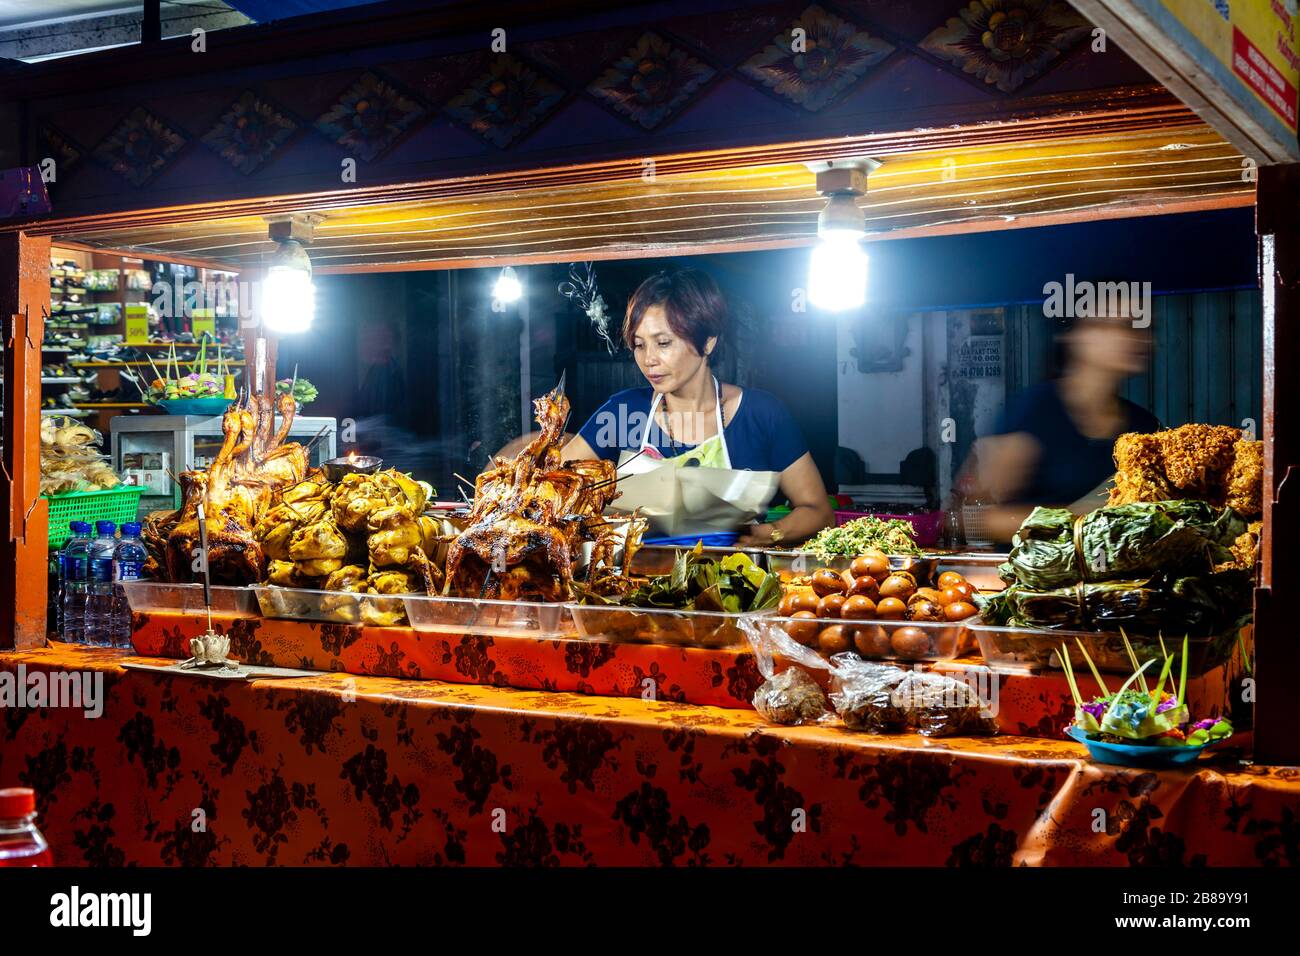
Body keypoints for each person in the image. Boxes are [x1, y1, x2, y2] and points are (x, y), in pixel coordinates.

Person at [563, 268, 833, 546]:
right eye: (639, 345)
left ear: (707, 341)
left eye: (663, 343)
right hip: (639, 582)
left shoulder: (761, 415)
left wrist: (764, 534)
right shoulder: (623, 412)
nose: (648, 359)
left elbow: (818, 512)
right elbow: (552, 483)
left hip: (734, 578)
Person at [969, 311, 1159, 543]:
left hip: (1116, 578)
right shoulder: (1031, 412)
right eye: (1114, 324)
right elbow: (982, 519)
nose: (1134, 336)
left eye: (1141, 325)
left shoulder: (1145, 427)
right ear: (1074, 335)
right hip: (1036, 574)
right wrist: (1085, 517)